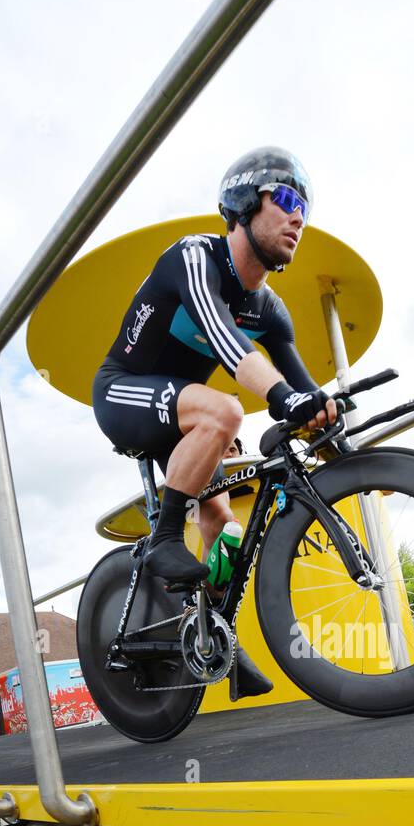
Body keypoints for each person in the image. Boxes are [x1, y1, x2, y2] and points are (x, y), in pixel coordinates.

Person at [92, 147, 337, 700]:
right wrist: (280, 398)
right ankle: (161, 541)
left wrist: (328, 422)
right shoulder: (194, 257)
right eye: (289, 200)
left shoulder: (270, 311)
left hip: (181, 418)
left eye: (308, 209)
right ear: (246, 201)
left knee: (223, 528)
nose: (300, 217)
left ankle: (214, 637)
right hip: (122, 393)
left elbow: (300, 389)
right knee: (224, 409)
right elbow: (229, 346)